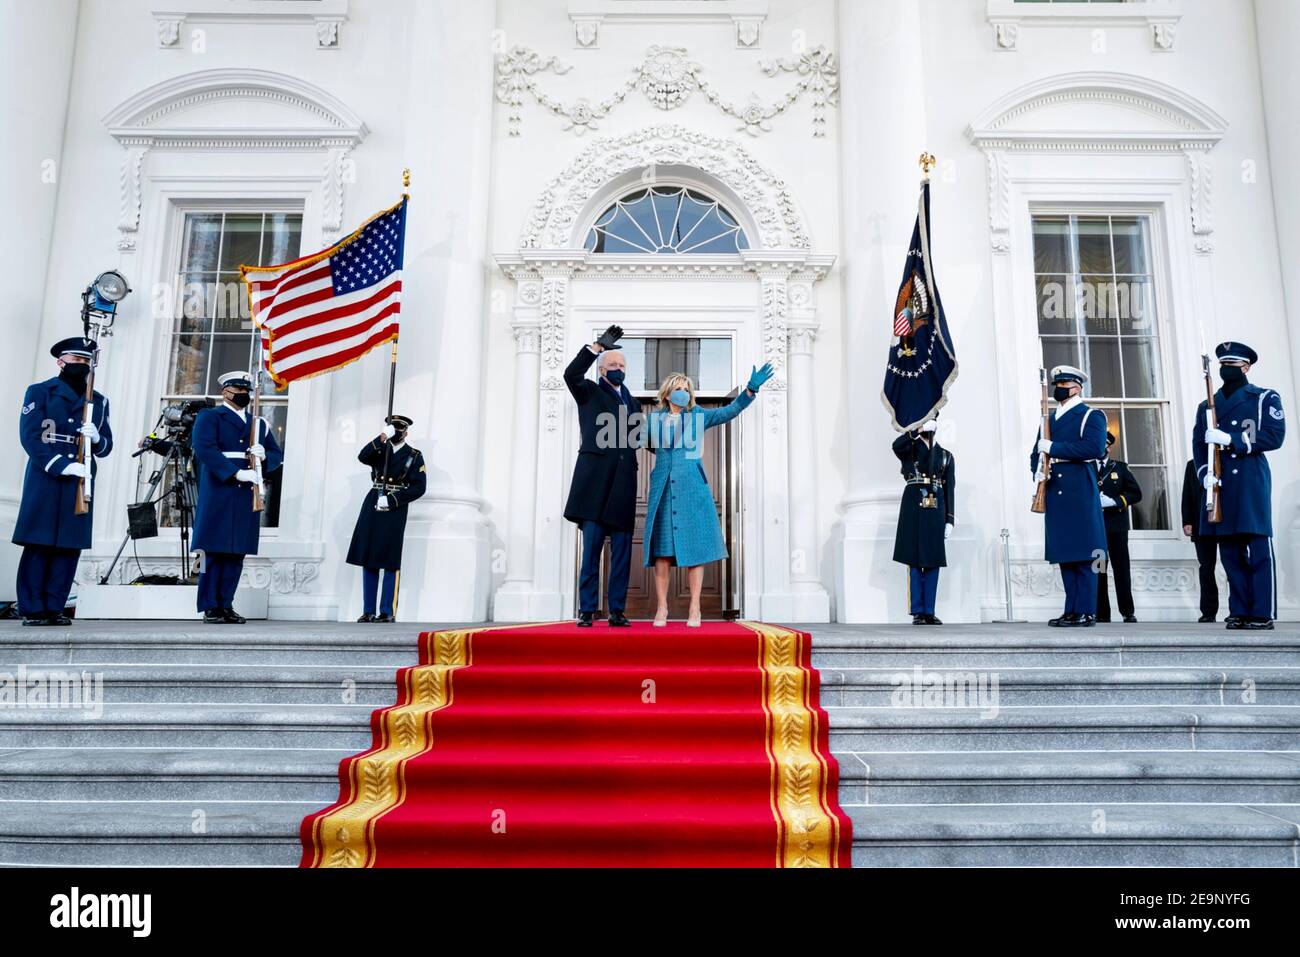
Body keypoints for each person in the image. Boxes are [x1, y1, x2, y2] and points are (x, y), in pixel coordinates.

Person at [643, 362, 774, 627]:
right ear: (667, 394)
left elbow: (730, 411)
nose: (683, 392)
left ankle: (695, 609)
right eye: (678, 388)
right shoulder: (653, 420)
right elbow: (649, 447)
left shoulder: (698, 415)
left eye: (686, 389)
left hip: (692, 489)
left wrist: (750, 390)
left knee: (695, 551)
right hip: (663, 489)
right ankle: (662, 609)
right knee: (662, 553)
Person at [12, 337, 113, 625]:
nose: (81, 366)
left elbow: (107, 447)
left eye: (85, 362)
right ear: (61, 362)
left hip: (80, 481)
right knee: (39, 544)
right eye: (76, 360)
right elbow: (30, 437)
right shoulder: (41, 392)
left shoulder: (99, 401)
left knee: (69, 546)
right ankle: (32, 608)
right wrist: (62, 465)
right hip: (47, 477)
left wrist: (96, 437)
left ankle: (55, 606)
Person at [1193, 341, 1285, 630]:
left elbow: (1274, 436)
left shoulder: (1263, 398)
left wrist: (1231, 439)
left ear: (1246, 367)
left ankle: (1262, 612)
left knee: (1257, 549)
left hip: (1249, 480)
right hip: (1221, 485)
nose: (1226, 370)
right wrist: (1205, 473)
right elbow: (1198, 445)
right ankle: (1240, 609)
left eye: (1231, 365)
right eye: (1223, 365)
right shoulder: (1207, 405)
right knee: (1230, 553)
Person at [563, 324, 643, 627]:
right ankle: (586, 610)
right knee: (592, 552)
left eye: (622, 365)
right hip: (595, 485)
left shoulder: (633, 402)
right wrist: (596, 347)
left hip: (623, 485)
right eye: (613, 365)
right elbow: (571, 375)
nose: (618, 369)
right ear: (602, 369)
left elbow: (641, 438)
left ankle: (617, 611)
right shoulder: (590, 392)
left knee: (622, 553)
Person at [190, 371, 284, 624]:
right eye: (237, 390)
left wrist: (264, 457)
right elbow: (204, 448)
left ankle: (226, 603)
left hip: (247, 491)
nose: (242, 394)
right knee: (210, 551)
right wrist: (235, 473)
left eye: (245, 391)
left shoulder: (259, 424)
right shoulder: (210, 417)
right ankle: (210, 605)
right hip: (219, 488)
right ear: (225, 392)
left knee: (235, 552)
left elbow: (276, 454)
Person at [1030, 364, 1108, 627]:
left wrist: (1055, 447)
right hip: (1055, 488)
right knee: (1065, 553)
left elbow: (1094, 447)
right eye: (1057, 385)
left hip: (1078, 487)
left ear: (1077, 388)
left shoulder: (1091, 415)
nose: (1059, 389)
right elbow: (1036, 453)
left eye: (1064, 385)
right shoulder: (1049, 419)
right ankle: (1071, 609)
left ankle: (1086, 610)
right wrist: (1038, 473)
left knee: (1085, 553)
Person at [346, 415, 426, 622]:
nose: (397, 432)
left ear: (406, 432)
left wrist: (393, 500)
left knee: (390, 559)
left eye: (400, 429)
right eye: (393, 428)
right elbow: (362, 457)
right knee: (369, 556)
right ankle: (368, 610)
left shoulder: (414, 455)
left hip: (394, 507)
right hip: (374, 501)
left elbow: (419, 487)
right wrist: (382, 437)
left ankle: (387, 611)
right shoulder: (380, 449)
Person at [891, 418, 955, 625]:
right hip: (914, 507)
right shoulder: (910, 448)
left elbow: (949, 490)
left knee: (933, 560)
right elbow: (896, 446)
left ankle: (929, 610)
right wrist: (916, 431)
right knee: (915, 559)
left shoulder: (946, 456)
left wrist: (950, 520)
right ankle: (918, 610)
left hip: (936, 507)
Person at [1096, 431, 1143, 623]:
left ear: (1107, 446)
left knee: (1121, 570)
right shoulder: (1087, 468)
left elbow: (1135, 493)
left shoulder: (1120, 468)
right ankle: (1100, 612)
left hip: (1117, 528)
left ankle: (1127, 611)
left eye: (1102, 445)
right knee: (1098, 571)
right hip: (1096, 530)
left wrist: (1115, 502)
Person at [1180, 457, 1219, 622]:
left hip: (1227, 521)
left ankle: (1238, 610)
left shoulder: (1225, 459)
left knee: (1234, 566)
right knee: (1206, 568)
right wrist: (1187, 521)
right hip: (1201, 523)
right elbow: (1187, 493)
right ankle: (1209, 612)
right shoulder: (1192, 464)